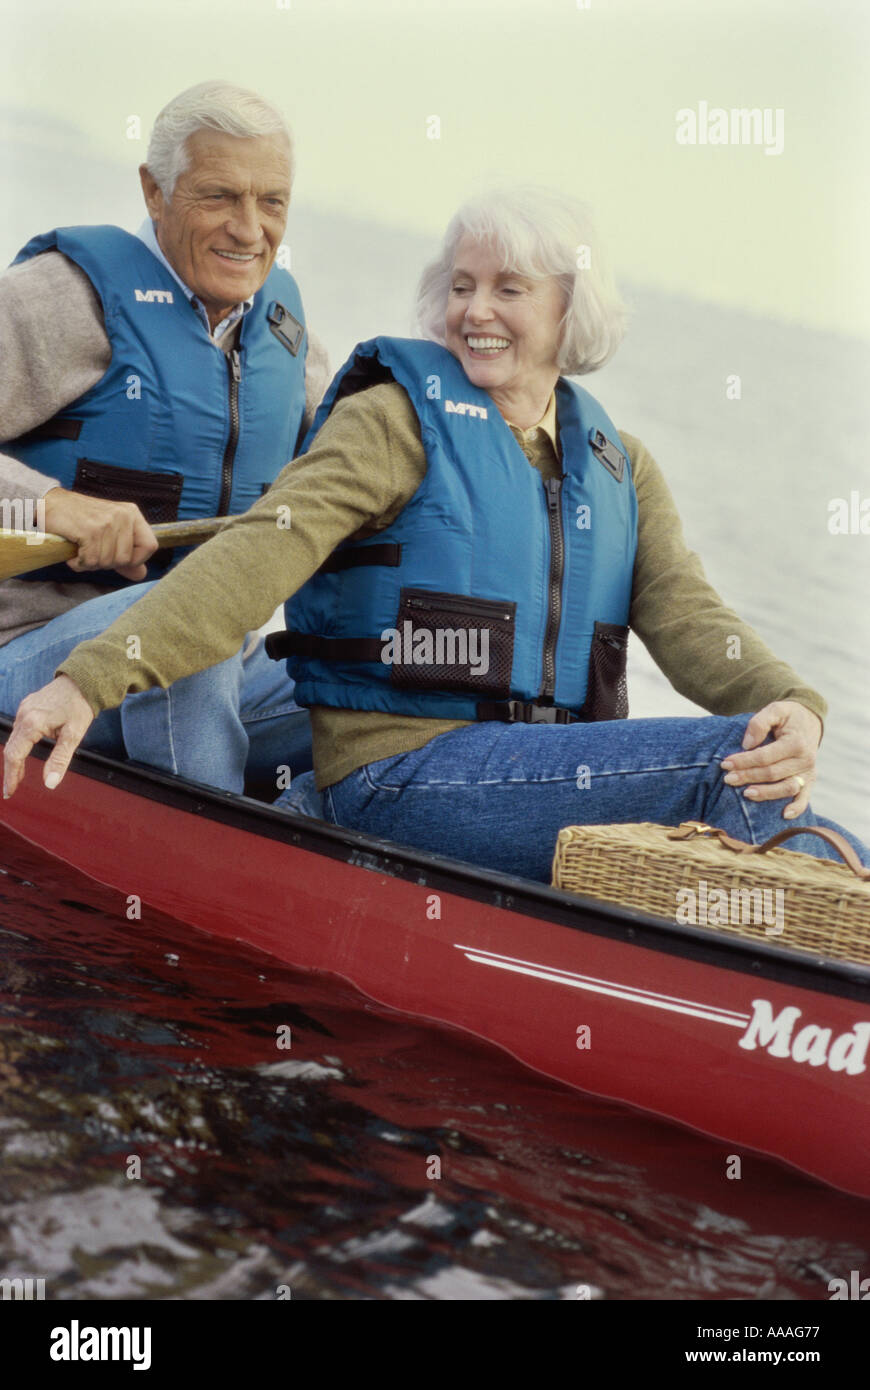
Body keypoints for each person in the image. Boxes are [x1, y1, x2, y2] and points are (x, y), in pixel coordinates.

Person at [4, 188, 867, 884]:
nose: (475, 311)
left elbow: (691, 621)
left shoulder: (620, 465)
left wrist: (796, 706)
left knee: (806, 809)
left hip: (526, 774)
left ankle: (806, 1020)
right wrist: (88, 682)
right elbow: (254, 557)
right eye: (460, 286)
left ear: (570, 309)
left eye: (509, 289)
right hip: (396, 779)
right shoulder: (393, 423)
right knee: (730, 765)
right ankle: (764, 1026)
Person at [0, 80, 330, 793]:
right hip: (26, 650)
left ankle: (313, 852)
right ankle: (217, 875)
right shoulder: (65, 296)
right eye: (219, 197)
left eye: (270, 202)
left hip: (212, 668)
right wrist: (51, 504)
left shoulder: (286, 335)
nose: (249, 229)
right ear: (154, 192)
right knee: (187, 629)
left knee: (373, 668)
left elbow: (350, 477)